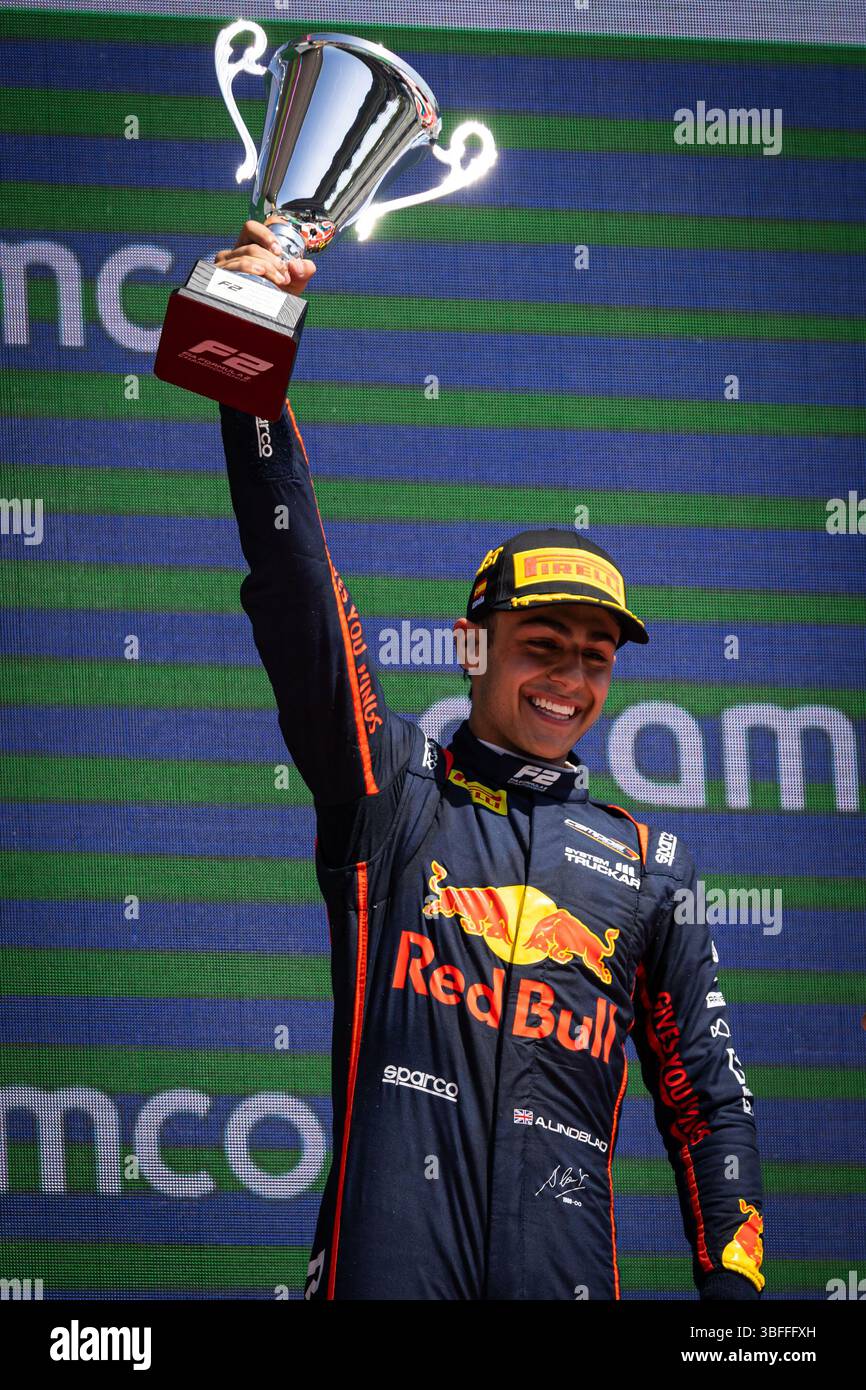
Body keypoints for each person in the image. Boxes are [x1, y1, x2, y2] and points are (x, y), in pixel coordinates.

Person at [215, 218, 765, 1301]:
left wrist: (736, 1303)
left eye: (593, 659)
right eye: (540, 647)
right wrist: (249, 375)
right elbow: (298, 599)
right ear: (472, 649)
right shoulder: (394, 791)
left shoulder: (647, 867)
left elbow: (708, 1099)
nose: (568, 681)